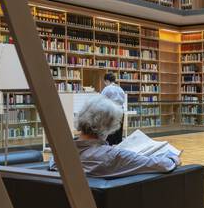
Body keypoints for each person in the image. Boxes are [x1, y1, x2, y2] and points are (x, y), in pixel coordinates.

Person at [50, 95, 181, 177]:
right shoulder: (113, 156)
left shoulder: (60, 153)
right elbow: (162, 165)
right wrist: (174, 159)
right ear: (109, 127)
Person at [100, 72, 126, 144]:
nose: (105, 83)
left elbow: (101, 100)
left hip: (111, 112)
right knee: (118, 133)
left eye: (105, 82)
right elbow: (123, 100)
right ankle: (117, 148)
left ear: (107, 81)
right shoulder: (120, 89)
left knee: (110, 133)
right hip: (120, 112)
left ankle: (109, 148)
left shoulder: (107, 88)